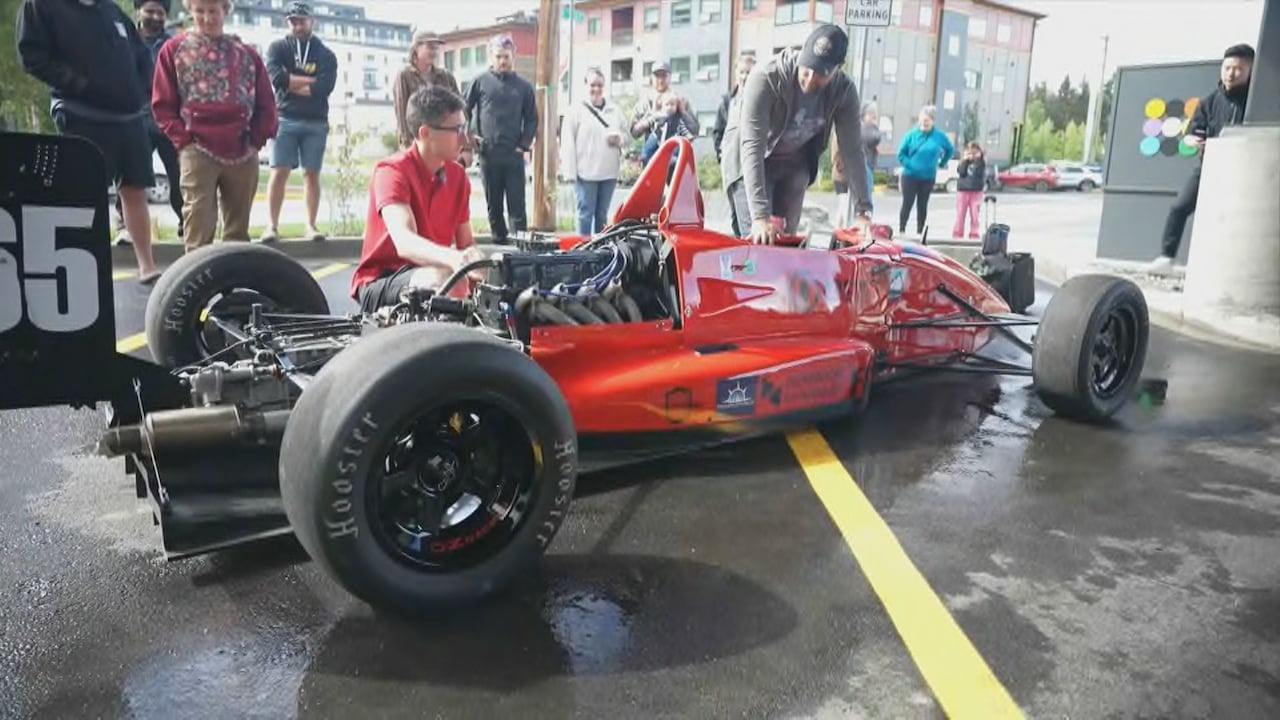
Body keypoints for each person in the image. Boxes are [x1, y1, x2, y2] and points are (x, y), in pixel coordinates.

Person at [17, 0, 161, 282]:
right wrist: (78, 84)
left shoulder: (112, 11)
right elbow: (32, 56)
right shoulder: (42, 6)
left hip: (128, 116)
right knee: (83, 193)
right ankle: (81, 269)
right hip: (81, 112)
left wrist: (142, 91)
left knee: (134, 189)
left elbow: (141, 55)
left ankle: (147, 265)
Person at [721, 24, 873, 245]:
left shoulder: (844, 92)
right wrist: (760, 217)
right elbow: (751, 146)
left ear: (838, 68)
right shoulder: (767, 76)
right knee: (758, 243)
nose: (810, 78)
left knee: (788, 244)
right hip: (750, 161)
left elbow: (852, 151)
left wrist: (863, 211)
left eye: (821, 73)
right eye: (807, 67)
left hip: (794, 165)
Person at [152, 0, 278, 252]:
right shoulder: (173, 50)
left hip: (243, 151)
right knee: (198, 229)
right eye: (199, 11)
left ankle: (233, 286)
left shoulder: (247, 54)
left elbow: (267, 103)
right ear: (190, 11)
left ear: (225, 10)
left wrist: (256, 140)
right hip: (197, 150)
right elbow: (162, 104)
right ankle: (198, 287)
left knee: (238, 233)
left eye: (213, 11)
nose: (206, 18)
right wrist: (183, 141)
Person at [351, 84, 484, 314]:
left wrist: (479, 264)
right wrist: (455, 259)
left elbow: (466, 243)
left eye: (465, 128)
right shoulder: (392, 171)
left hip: (432, 272)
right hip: (383, 280)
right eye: (457, 129)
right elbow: (405, 242)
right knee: (448, 280)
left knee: (498, 280)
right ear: (425, 133)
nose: (465, 139)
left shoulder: (458, 176)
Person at [1148, 43, 1254, 276]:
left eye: (1238, 69)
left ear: (1250, 71)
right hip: (1209, 168)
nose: (1231, 73)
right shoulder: (1209, 101)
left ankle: (1229, 269)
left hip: (1244, 172)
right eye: (1227, 67)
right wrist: (1192, 141)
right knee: (1179, 207)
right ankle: (1166, 257)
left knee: (1232, 220)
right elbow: (1193, 132)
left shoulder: (1258, 102)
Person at [262, 1, 338, 243]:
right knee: (279, 171)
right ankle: (271, 227)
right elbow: (277, 80)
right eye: (293, 21)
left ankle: (311, 225)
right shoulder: (277, 48)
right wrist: (307, 83)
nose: (297, 25)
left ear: (311, 21)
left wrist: (292, 82)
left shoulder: (325, 54)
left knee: (311, 174)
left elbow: (324, 88)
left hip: (316, 121)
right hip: (285, 117)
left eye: (301, 21)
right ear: (288, 22)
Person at [111, 0, 184, 247]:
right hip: (135, 117)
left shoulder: (175, 44)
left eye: (160, 13)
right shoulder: (124, 40)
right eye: (149, 11)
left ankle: (187, 223)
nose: (154, 16)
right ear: (138, 11)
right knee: (131, 178)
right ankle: (126, 228)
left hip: (169, 119)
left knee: (180, 175)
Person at [466, 33, 537, 245]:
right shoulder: (480, 82)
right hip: (488, 154)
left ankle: (521, 248)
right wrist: (469, 136)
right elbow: (463, 109)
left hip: (513, 155)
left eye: (506, 56)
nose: (502, 61)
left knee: (517, 205)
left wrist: (523, 144)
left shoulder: (524, 86)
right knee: (494, 205)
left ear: (513, 56)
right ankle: (499, 244)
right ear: (491, 57)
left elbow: (532, 119)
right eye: (498, 56)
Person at [558, 68, 625, 235]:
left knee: (602, 215)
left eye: (600, 85)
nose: (596, 89)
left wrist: (620, 139)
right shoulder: (575, 111)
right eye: (593, 85)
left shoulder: (614, 110)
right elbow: (567, 142)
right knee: (585, 214)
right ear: (585, 85)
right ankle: (583, 251)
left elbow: (627, 134)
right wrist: (570, 173)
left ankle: (600, 251)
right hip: (585, 173)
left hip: (609, 172)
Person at [393, 31, 460, 149]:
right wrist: (407, 145)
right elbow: (401, 112)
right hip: (416, 143)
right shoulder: (405, 75)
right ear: (416, 48)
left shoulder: (445, 76)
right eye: (430, 47)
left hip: (442, 142)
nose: (434, 52)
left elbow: (459, 109)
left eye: (436, 48)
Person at [896, 105, 954, 238]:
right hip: (910, 176)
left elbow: (950, 150)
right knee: (907, 202)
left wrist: (942, 163)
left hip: (928, 177)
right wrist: (909, 164)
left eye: (927, 121)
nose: (924, 123)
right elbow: (901, 153)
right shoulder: (911, 135)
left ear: (933, 121)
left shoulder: (939, 136)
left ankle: (919, 232)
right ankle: (902, 230)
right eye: (922, 121)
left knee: (922, 204)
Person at [630, 62, 700, 155]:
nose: (660, 80)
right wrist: (651, 117)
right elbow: (634, 132)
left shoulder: (680, 100)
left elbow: (695, 130)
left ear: (670, 77)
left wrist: (682, 112)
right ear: (652, 77)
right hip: (652, 159)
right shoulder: (645, 103)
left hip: (675, 157)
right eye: (657, 76)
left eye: (664, 76)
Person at [832, 101, 881, 227]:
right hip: (852, 171)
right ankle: (847, 230)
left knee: (844, 205)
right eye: (872, 116)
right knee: (853, 205)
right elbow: (875, 138)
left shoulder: (848, 128)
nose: (874, 120)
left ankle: (842, 229)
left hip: (843, 171)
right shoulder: (860, 128)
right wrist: (874, 127)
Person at [712, 52, 757, 162]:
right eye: (741, 72)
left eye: (748, 73)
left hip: (753, 160)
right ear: (736, 73)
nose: (744, 77)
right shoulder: (727, 101)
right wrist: (721, 153)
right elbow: (718, 131)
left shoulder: (761, 100)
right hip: (731, 160)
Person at [953, 142, 986, 239]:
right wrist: (965, 160)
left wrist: (978, 159)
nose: (972, 155)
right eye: (970, 152)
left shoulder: (981, 163)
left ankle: (974, 234)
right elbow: (961, 172)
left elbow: (979, 172)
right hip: (963, 191)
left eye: (974, 152)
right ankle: (958, 234)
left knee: (975, 215)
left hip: (976, 191)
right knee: (960, 215)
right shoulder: (963, 162)